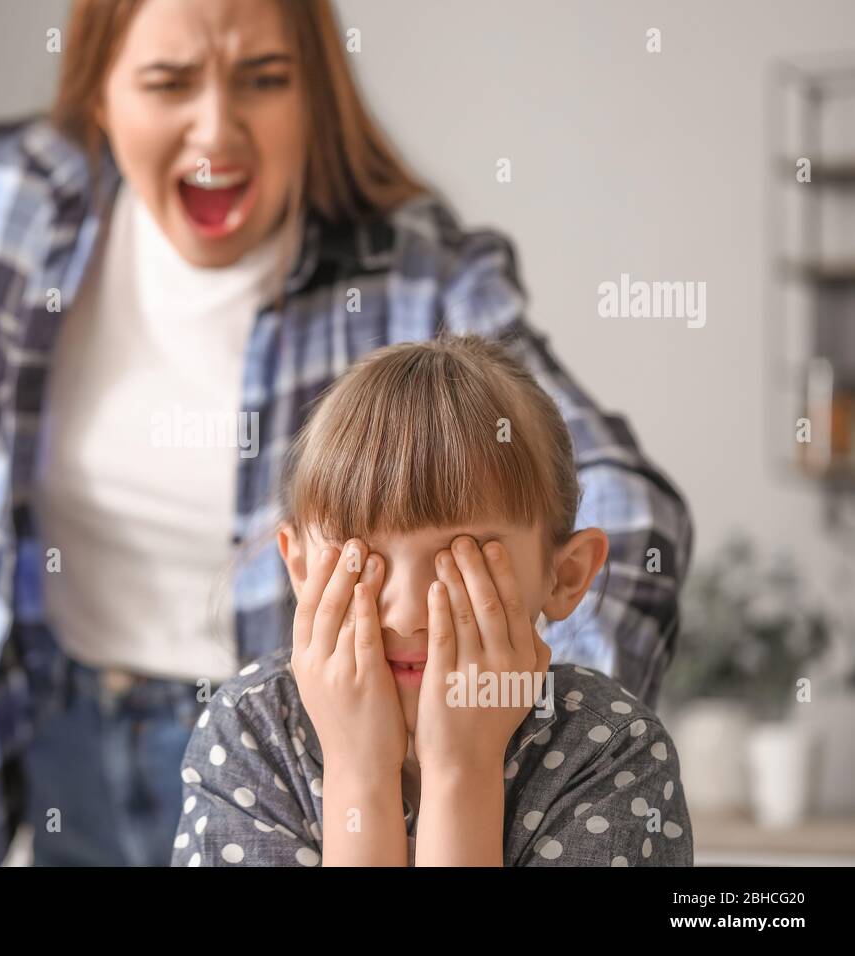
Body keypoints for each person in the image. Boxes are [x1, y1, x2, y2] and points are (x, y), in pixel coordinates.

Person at [0, 0, 693, 866]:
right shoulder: (10, 208)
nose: (216, 130)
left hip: (303, 749)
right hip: (59, 733)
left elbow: (618, 501)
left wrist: (513, 717)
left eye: (264, 80)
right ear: (100, 97)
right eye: (167, 83)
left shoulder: (413, 272)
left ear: (315, 96)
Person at [172, 336, 693, 866]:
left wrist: (461, 771)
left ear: (565, 576)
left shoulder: (612, 753)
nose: (405, 617)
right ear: (303, 569)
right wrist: (358, 771)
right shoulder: (253, 734)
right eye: (362, 558)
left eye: (459, 558)